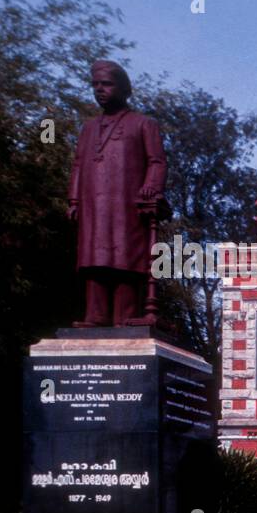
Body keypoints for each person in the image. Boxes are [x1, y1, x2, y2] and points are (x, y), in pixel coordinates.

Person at [68, 60, 167, 326]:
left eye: (107, 84)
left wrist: (151, 186)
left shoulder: (143, 124)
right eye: (96, 85)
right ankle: (95, 316)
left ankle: (125, 316)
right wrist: (74, 199)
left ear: (123, 89)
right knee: (94, 257)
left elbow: (157, 161)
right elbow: (78, 164)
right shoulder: (88, 128)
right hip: (92, 204)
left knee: (124, 257)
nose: (100, 89)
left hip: (126, 205)